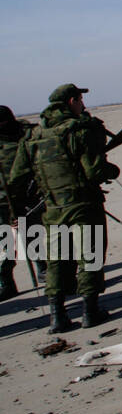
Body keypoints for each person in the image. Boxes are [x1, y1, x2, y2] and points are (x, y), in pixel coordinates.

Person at [6, 85, 117, 332]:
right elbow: (94, 171)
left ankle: (58, 316)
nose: (84, 106)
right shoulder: (79, 130)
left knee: (57, 260)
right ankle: (90, 312)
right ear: (71, 101)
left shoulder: (33, 136)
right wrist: (112, 171)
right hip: (84, 204)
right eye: (80, 100)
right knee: (90, 254)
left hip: (53, 207)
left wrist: (17, 212)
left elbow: (16, 179)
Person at [0, 106, 37, 302]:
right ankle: (6, 282)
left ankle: (44, 269)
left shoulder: (25, 134)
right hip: (2, 200)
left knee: (34, 232)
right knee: (6, 241)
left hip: (29, 194)